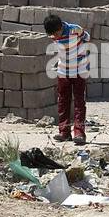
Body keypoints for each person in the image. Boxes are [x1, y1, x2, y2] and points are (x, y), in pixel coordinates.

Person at [44, 13, 90, 144]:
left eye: (56, 33)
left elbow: (87, 38)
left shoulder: (75, 30)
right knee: (63, 101)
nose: (55, 37)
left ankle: (79, 133)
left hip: (80, 69)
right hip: (63, 70)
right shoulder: (53, 35)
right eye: (52, 35)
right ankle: (64, 132)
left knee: (79, 101)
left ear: (60, 28)